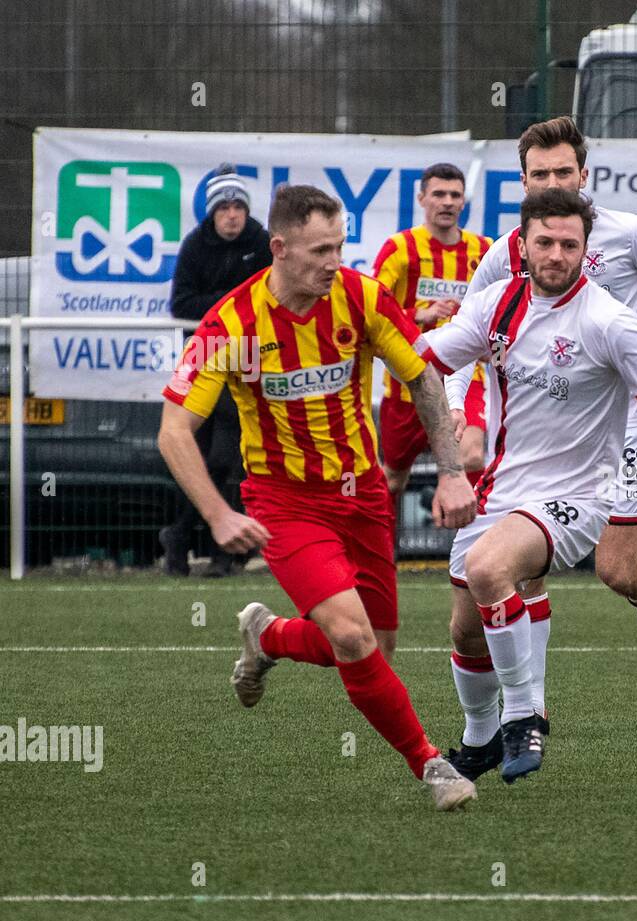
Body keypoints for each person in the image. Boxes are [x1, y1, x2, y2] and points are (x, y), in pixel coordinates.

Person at [157, 184, 480, 811]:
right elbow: (173, 431)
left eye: (339, 247)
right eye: (319, 250)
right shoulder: (230, 323)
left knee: (373, 651)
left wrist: (450, 471)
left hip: (362, 499)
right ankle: (432, 765)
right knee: (354, 639)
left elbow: (423, 379)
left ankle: (268, 634)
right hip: (284, 503)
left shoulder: (361, 298)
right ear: (279, 249)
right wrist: (219, 514)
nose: (334, 262)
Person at [426, 188, 637, 784]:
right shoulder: (495, 306)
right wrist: (452, 454)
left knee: (492, 570)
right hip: (500, 490)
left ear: (587, 250)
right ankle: (478, 742)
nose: (557, 254)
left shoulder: (609, 321)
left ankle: (525, 717)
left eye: (570, 244)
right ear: (522, 247)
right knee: (464, 626)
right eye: (545, 243)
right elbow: (424, 362)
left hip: (580, 496)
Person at [444, 117, 637, 738]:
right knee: (516, 567)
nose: (551, 183)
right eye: (539, 174)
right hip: (547, 443)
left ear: (584, 176)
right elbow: (464, 332)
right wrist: (458, 403)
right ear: (523, 182)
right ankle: (528, 714)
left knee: (617, 571)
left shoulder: (629, 233)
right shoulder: (509, 251)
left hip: (628, 430)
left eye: (563, 172)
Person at [160, 164, 273, 576]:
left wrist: (226, 306)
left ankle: (213, 548)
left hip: (247, 364)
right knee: (202, 459)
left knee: (228, 460)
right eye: (224, 207)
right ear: (212, 211)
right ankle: (185, 542)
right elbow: (181, 304)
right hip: (206, 357)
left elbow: (270, 297)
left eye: (237, 207)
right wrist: (232, 303)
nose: (231, 215)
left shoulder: (261, 241)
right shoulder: (195, 245)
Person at [371, 163, 493, 504]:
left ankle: (474, 551)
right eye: (439, 194)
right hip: (407, 381)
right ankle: (376, 554)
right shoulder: (400, 248)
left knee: (471, 456)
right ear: (422, 199)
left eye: (455, 195)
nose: (447, 202)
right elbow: (373, 307)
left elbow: (504, 305)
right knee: (393, 479)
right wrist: (420, 314)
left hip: (467, 375)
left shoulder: (483, 250)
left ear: (463, 203)